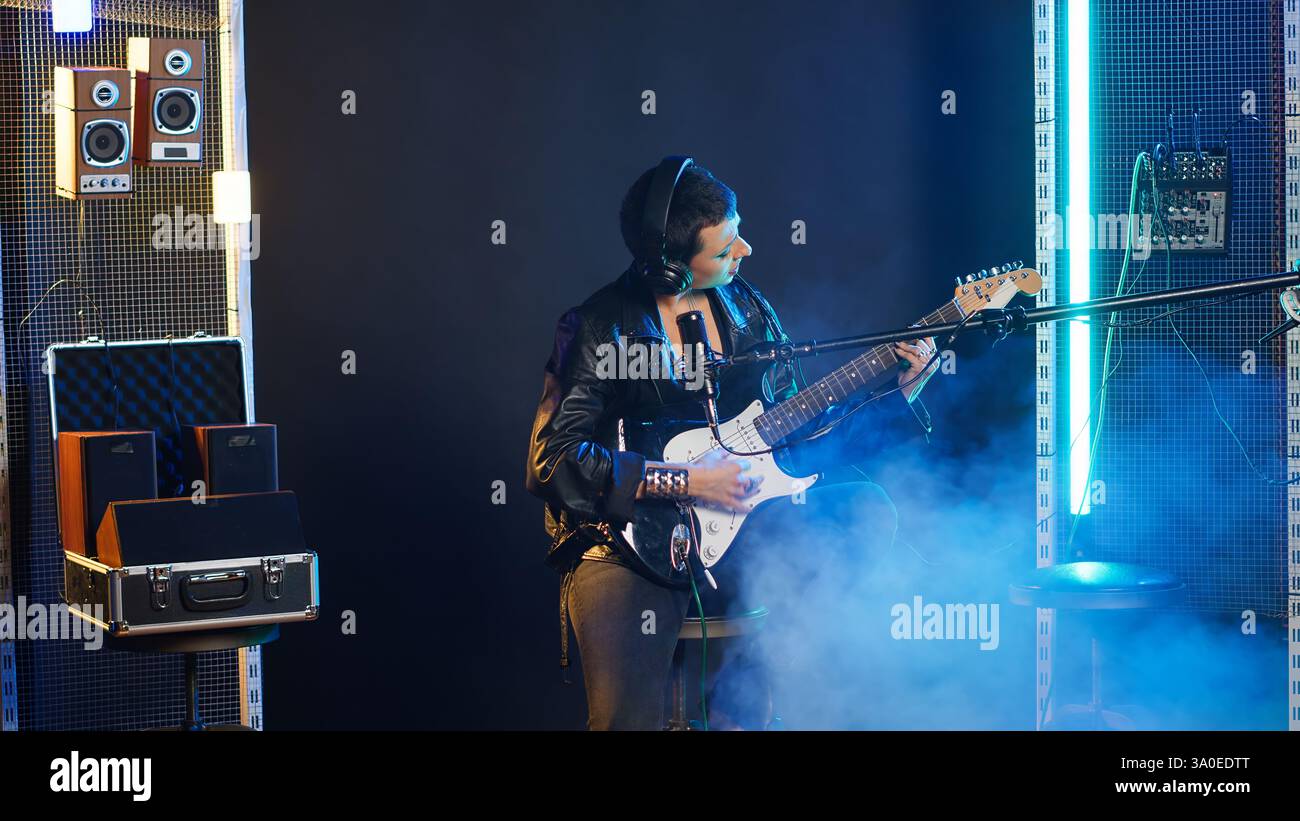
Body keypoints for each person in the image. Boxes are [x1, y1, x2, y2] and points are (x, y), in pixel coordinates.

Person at [525, 158, 938, 730]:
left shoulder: (745, 308)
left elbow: (796, 432)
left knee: (866, 511)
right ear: (670, 267)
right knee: (624, 720)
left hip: (746, 529)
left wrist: (895, 393)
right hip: (622, 543)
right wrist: (689, 481)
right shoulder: (600, 328)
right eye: (723, 250)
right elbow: (553, 463)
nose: (743, 251)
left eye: (736, 232)